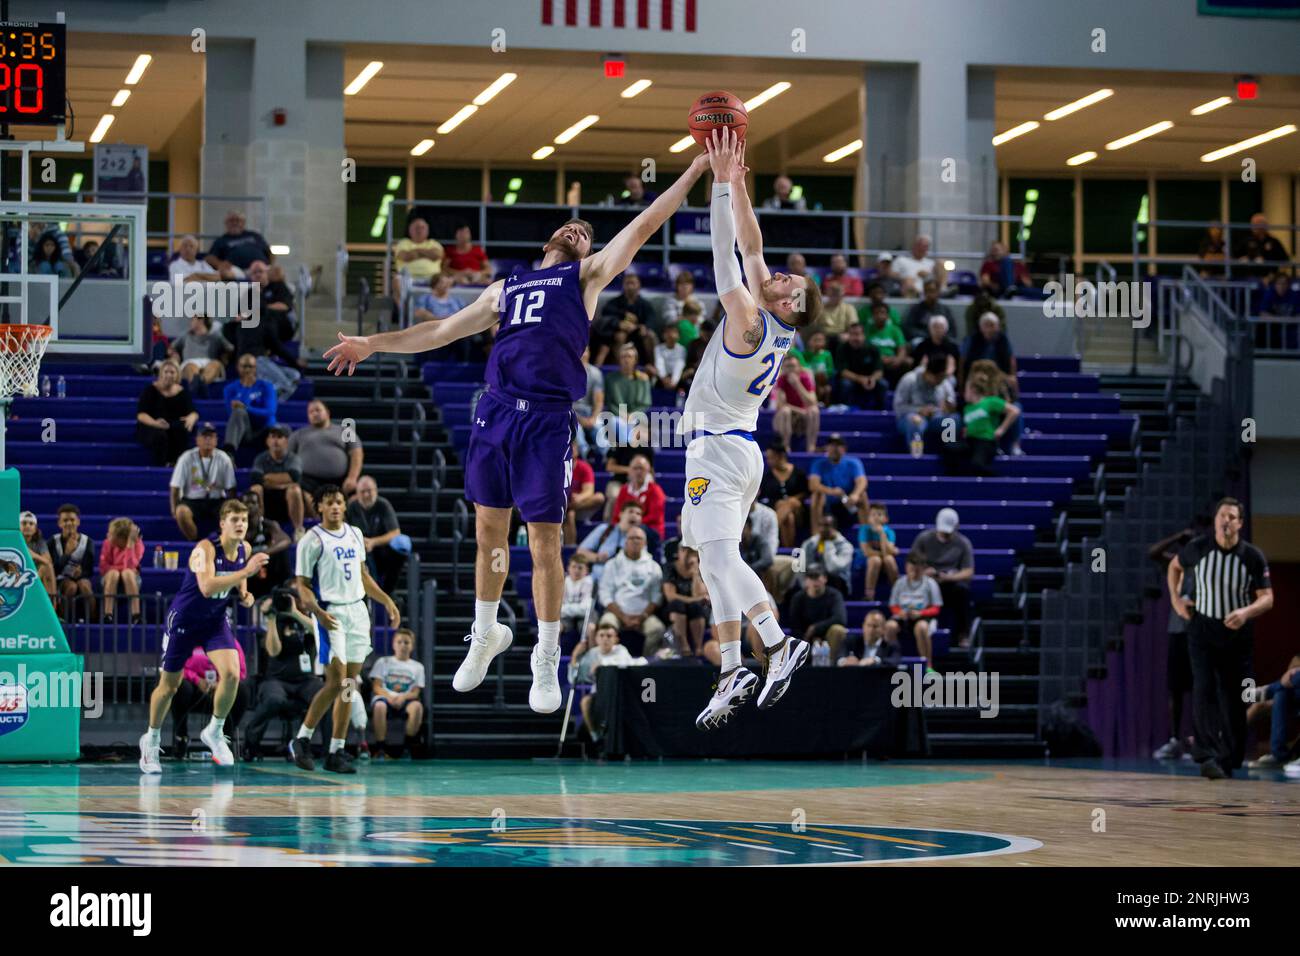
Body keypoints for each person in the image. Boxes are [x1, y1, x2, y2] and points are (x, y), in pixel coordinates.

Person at [323, 151, 712, 716]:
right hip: (496, 412)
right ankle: (486, 633)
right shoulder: (505, 287)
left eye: (586, 233)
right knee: (489, 534)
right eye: (573, 227)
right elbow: (439, 330)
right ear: (551, 236)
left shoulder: (586, 275)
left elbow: (646, 223)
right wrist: (372, 343)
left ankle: (547, 655)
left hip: (548, 422)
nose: (580, 232)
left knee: (544, 543)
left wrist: (696, 171)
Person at [680, 128, 826, 730]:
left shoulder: (748, 320)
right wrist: (738, 181)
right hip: (733, 451)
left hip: (719, 452)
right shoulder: (775, 320)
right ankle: (734, 666)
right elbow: (751, 242)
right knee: (714, 564)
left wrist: (717, 187)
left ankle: (778, 641)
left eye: (793, 283)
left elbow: (724, 258)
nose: (784, 276)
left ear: (791, 304)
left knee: (717, 556)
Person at [138, 499, 269, 773]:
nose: (240, 525)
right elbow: (207, 586)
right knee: (169, 686)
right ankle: (150, 740)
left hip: (214, 619)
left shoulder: (244, 548)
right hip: (184, 619)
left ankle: (215, 730)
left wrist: (245, 593)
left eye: (244, 520)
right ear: (222, 524)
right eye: (234, 520)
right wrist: (246, 573)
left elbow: (239, 577)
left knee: (232, 674)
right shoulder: (204, 549)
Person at [288, 486, 402, 774]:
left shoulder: (354, 533)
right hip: (331, 612)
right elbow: (301, 583)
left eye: (339, 501)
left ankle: (336, 750)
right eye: (330, 503)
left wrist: (386, 600)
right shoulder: (311, 540)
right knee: (336, 682)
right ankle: (301, 739)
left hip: (357, 611)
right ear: (320, 509)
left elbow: (363, 575)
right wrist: (316, 612)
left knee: (350, 685)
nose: (336, 506)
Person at [1167, 497, 1273, 779]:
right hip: (1202, 627)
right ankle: (1206, 754)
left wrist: (1246, 611)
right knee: (1203, 687)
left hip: (1236, 632)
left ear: (1240, 523)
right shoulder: (1198, 548)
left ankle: (1229, 756)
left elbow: (1267, 599)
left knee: (1233, 697)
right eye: (1222, 516)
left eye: (1232, 517)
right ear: (1215, 520)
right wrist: (1177, 602)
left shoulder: (1252, 556)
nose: (1226, 521)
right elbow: (1174, 567)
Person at [1148, 516, 1208, 761]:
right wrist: (1176, 537)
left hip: (1200, 634)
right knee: (1176, 690)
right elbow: (1152, 553)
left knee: (1200, 689)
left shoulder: (1209, 567)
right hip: (1177, 633)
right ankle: (1174, 739)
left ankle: (1198, 739)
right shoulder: (1176, 566)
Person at [242, 587, 323, 759]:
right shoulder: (276, 621)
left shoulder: (306, 620)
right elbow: (273, 651)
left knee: (326, 696)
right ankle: (251, 742)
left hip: (305, 681)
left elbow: (318, 632)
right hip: (276, 681)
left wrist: (294, 612)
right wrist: (271, 619)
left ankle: (330, 749)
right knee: (274, 700)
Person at [170, 643, 251, 759]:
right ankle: (181, 737)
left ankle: (224, 737)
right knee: (180, 686)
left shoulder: (229, 641)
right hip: (195, 690)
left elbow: (240, 672)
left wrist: (222, 683)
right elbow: (178, 668)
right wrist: (197, 680)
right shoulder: (188, 639)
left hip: (221, 691)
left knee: (242, 690)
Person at [596, 526, 666, 656]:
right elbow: (605, 594)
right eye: (631, 538)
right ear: (625, 542)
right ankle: (610, 662)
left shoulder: (653, 566)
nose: (635, 541)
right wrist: (623, 617)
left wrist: (642, 617)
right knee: (606, 625)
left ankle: (647, 663)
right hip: (617, 614)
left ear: (644, 543)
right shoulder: (612, 564)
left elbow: (656, 596)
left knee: (657, 629)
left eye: (639, 538)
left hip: (644, 616)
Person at [910, 507, 975, 647]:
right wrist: (923, 572)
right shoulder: (924, 538)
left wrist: (949, 577)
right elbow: (912, 562)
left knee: (963, 590)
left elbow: (968, 571)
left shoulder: (963, 543)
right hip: (926, 583)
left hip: (949, 584)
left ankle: (963, 634)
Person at [573, 623, 649, 738]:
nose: (605, 639)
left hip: (619, 693)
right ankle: (595, 736)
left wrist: (602, 665)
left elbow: (622, 664)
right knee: (585, 702)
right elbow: (575, 677)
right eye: (601, 635)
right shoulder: (592, 653)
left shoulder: (621, 650)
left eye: (609, 636)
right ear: (596, 639)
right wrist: (575, 655)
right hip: (598, 694)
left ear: (616, 639)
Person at [289, 398, 364, 511]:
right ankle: (317, 523)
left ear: (327, 412)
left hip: (340, 480)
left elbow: (357, 453)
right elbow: (288, 457)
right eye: (311, 412)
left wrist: (352, 477)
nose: (314, 414)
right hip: (308, 481)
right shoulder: (298, 435)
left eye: (318, 410)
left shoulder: (345, 431)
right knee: (297, 488)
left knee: (362, 488)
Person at [170, 424, 237, 541]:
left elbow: (231, 488)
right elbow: (175, 486)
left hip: (216, 501)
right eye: (204, 436)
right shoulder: (186, 458)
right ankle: (195, 541)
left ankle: (221, 542)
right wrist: (173, 509)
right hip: (192, 501)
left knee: (230, 511)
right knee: (181, 512)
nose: (208, 440)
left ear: (216, 440)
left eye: (211, 437)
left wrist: (231, 507)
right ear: (197, 440)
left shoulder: (224, 458)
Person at [942, 379, 1020, 478]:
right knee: (949, 448)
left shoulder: (990, 401)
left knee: (977, 464)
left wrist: (1001, 430)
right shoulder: (967, 408)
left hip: (985, 440)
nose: (963, 394)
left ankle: (1000, 479)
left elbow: (1014, 411)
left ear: (973, 390)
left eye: (965, 390)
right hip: (970, 441)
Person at [369, 628, 426, 758]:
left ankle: (407, 747)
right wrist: (389, 697)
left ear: (412, 646)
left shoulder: (418, 667)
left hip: (406, 699)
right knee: (379, 706)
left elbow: (416, 692)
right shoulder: (383, 662)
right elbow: (376, 686)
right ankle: (381, 748)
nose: (403, 645)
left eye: (406, 642)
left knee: (417, 707)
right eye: (399, 642)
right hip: (385, 697)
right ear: (393, 644)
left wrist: (402, 698)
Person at [346, 475, 409, 593]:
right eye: (362, 492)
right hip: (358, 550)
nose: (366, 495)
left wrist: (373, 542)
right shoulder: (351, 507)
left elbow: (395, 532)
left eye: (369, 491)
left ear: (375, 491)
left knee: (402, 545)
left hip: (381, 551)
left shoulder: (383, 505)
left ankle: (388, 592)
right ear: (357, 493)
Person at [136, 360, 199, 467]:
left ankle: (178, 465)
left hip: (173, 424)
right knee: (160, 435)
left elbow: (193, 412)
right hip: (152, 424)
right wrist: (155, 423)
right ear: (161, 374)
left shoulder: (182, 392)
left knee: (181, 429)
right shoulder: (150, 390)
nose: (169, 375)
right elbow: (141, 415)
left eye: (172, 372)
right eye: (166, 372)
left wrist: (192, 418)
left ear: (177, 375)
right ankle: (161, 466)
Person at [895, 355, 959, 457]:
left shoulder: (944, 383)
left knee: (951, 420)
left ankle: (949, 452)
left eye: (942, 378)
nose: (940, 381)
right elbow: (899, 407)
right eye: (937, 378)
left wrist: (949, 407)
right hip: (912, 417)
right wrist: (919, 410)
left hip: (936, 418)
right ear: (928, 373)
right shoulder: (909, 379)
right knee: (914, 421)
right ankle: (916, 456)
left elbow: (952, 404)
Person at [249, 425, 306, 539]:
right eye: (273, 437)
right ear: (267, 441)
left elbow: (294, 477)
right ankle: (259, 527)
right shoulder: (261, 458)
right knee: (256, 489)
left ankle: (298, 530)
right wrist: (284, 481)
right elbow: (256, 478)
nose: (276, 440)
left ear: (286, 441)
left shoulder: (293, 458)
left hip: (287, 501)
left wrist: (267, 478)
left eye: (280, 437)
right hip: (267, 500)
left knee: (294, 489)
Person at [784, 565, 847, 665]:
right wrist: (806, 639)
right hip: (805, 637)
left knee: (838, 630)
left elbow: (840, 619)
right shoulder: (798, 598)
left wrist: (815, 628)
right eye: (811, 577)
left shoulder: (834, 595)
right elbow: (794, 625)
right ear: (806, 581)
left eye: (817, 577)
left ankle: (831, 664)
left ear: (825, 579)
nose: (815, 581)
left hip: (827, 638)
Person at [889, 552, 943, 666]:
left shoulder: (930, 583)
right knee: (889, 626)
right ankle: (892, 661)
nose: (914, 572)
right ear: (906, 567)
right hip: (903, 616)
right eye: (911, 569)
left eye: (917, 569)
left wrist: (920, 613)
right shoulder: (899, 583)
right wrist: (900, 612)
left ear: (923, 568)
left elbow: (936, 608)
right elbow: (893, 605)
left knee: (921, 628)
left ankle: (928, 665)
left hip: (923, 616)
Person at [595, 272, 658, 366]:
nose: (630, 286)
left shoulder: (645, 304)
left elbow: (652, 319)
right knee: (620, 336)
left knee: (649, 336)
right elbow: (605, 317)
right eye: (627, 283)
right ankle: (620, 366)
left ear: (639, 285)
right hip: (618, 334)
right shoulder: (614, 303)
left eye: (633, 283)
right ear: (623, 285)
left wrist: (645, 327)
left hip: (639, 335)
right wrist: (618, 324)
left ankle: (652, 366)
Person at [808, 433, 868, 529]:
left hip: (848, 504)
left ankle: (866, 535)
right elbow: (813, 485)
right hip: (828, 505)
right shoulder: (818, 464)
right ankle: (816, 536)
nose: (834, 448)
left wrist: (855, 495)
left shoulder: (853, 463)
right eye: (831, 445)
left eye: (838, 445)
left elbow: (862, 481)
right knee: (816, 496)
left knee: (863, 495)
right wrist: (832, 492)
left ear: (844, 449)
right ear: (827, 448)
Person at [222, 353, 278, 456]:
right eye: (244, 366)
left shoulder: (266, 386)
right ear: (238, 367)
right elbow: (231, 414)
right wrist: (246, 389)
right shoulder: (230, 389)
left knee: (276, 430)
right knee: (238, 412)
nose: (247, 370)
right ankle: (229, 454)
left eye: (250, 367)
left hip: (264, 431)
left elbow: (270, 412)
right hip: (244, 432)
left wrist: (246, 408)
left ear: (255, 368)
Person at [662, 545, 711, 659]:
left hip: (695, 609)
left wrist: (695, 574)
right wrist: (693, 599)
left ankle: (698, 647)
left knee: (696, 606)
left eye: (691, 552)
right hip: (674, 608)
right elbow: (671, 596)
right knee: (677, 604)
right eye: (684, 550)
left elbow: (699, 595)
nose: (687, 555)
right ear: (678, 552)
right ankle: (684, 645)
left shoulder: (701, 568)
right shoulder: (669, 568)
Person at [757, 440, 809, 548]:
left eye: (771, 457)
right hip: (776, 508)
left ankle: (766, 534)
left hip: (798, 510)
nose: (768, 461)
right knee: (788, 517)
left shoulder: (798, 473)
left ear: (781, 456)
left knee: (792, 503)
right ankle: (788, 550)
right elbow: (762, 495)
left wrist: (792, 499)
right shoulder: (767, 476)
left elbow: (806, 492)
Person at [51, 504, 96, 623]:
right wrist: (66, 554)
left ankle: (91, 620)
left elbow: (89, 570)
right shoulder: (53, 541)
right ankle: (64, 619)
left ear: (78, 522)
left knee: (85, 586)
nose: (69, 523)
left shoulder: (87, 541)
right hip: (61, 579)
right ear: (59, 523)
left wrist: (81, 572)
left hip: (81, 578)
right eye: (65, 520)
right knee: (71, 587)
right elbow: (53, 569)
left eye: (72, 520)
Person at [771, 353, 821, 454]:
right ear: (783, 368)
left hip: (803, 419)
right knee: (785, 411)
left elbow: (813, 402)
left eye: (793, 366)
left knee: (814, 411)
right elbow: (781, 405)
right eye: (787, 366)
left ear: (799, 367)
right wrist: (801, 411)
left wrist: (797, 385)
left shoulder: (805, 378)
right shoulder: (781, 379)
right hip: (787, 418)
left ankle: (811, 446)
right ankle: (785, 446)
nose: (790, 369)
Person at [169, 315, 233, 393]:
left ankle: (199, 384)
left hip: (209, 362)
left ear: (201, 321)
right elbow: (171, 348)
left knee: (216, 364)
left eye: (193, 320)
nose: (190, 323)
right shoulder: (186, 335)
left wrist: (225, 356)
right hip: (190, 361)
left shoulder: (215, 336)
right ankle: (200, 385)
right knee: (191, 367)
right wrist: (175, 354)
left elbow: (230, 348)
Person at [98, 517, 144, 625]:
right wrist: (119, 570)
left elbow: (130, 565)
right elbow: (103, 567)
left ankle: (136, 615)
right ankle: (108, 615)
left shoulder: (137, 544)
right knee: (114, 574)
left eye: (111, 533)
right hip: (110, 579)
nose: (107, 536)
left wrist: (130, 545)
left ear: (121, 537)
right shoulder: (107, 543)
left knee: (127, 573)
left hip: (131, 580)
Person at [610, 454, 666, 539]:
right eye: (635, 468)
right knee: (605, 529)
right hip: (626, 526)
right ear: (629, 470)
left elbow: (654, 517)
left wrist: (631, 523)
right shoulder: (624, 490)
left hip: (650, 530)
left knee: (633, 532)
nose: (638, 471)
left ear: (648, 471)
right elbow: (617, 514)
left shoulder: (656, 490)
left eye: (641, 468)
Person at [834, 321, 886, 409]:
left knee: (883, 384)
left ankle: (880, 411)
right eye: (852, 334)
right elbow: (843, 371)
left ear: (864, 336)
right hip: (852, 379)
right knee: (845, 384)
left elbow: (879, 370)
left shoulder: (873, 348)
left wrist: (872, 379)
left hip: (869, 380)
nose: (855, 338)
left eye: (858, 334)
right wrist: (860, 379)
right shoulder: (842, 348)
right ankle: (844, 410)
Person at [205, 210, 272, 278]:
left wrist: (269, 263)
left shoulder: (255, 235)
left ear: (243, 223)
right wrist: (220, 264)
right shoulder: (220, 240)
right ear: (226, 223)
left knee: (277, 272)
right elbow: (209, 258)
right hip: (237, 270)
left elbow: (269, 251)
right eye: (231, 220)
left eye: (237, 220)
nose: (234, 223)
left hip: (260, 266)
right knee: (225, 273)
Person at [799, 515, 854, 596]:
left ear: (834, 528)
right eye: (820, 526)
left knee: (832, 579)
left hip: (837, 584)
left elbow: (833, 569)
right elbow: (800, 567)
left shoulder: (846, 547)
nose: (822, 529)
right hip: (813, 579)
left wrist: (827, 544)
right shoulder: (809, 543)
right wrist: (805, 584)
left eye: (826, 526)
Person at [863, 300, 910, 387]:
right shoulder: (867, 329)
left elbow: (902, 348)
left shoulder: (895, 329)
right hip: (874, 360)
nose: (879, 315)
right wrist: (879, 358)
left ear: (887, 315)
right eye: (876, 313)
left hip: (891, 360)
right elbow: (863, 348)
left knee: (908, 362)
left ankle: (900, 388)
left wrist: (897, 359)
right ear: (872, 315)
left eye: (882, 312)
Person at [392, 215, 443, 294]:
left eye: (422, 228)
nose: (419, 230)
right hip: (409, 277)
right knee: (397, 279)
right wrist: (427, 253)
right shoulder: (403, 243)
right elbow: (405, 256)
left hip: (432, 278)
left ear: (427, 230)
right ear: (410, 230)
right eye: (416, 228)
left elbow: (437, 255)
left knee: (444, 280)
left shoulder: (433, 243)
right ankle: (402, 306)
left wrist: (416, 252)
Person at [860, 501, 899, 599]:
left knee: (889, 560)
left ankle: (897, 592)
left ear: (886, 519)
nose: (876, 517)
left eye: (879, 514)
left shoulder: (889, 532)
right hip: (866, 562)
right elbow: (867, 552)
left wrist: (882, 534)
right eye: (873, 514)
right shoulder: (864, 529)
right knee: (875, 560)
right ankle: (869, 595)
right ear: (868, 518)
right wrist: (889, 552)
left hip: (885, 562)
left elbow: (888, 552)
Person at [903, 279, 955, 344]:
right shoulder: (916, 309)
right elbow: (908, 329)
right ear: (924, 292)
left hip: (942, 340)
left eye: (933, 291)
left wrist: (941, 336)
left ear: (938, 292)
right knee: (916, 342)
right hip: (923, 340)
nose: (930, 294)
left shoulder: (945, 310)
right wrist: (928, 336)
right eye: (927, 291)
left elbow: (952, 331)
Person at [1238, 213, 1289, 278]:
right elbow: (1235, 256)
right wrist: (1241, 259)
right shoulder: (1246, 240)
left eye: (1260, 223)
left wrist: (1275, 276)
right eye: (1255, 224)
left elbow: (1285, 261)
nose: (1258, 227)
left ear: (1265, 225)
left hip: (1269, 278)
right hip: (1248, 277)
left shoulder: (1274, 241)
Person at [19, 511, 56, 599]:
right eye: (24, 523)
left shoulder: (40, 542)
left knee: (47, 567)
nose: (27, 526)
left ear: (35, 528)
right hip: (16, 576)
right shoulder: (14, 542)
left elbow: (48, 561)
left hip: (35, 575)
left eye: (31, 524)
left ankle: (52, 605)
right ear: (18, 526)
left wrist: (33, 555)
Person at [911, 315, 960, 380]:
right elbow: (918, 366)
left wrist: (942, 376)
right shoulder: (922, 345)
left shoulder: (952, 347)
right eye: (935, 327)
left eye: (941, 327)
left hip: (944, 376)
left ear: (946, 329)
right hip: (925, 374)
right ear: (930, 329)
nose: (938, 330)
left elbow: (952, 367)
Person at [796, 330, 836, 405]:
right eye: (815, 340)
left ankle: (824, 404)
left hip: (823, 380)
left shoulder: (827, 354)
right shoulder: (805, 354)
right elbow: (803, 366)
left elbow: (830, 370)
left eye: (820, 340)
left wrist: (824, 376)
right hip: (810, 379)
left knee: (824, 384)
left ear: (825, 342)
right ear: (809, 342)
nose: (818, 343)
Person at [560, 555, 595, 638]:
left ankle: (591, 651)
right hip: (566, 617)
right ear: (568, 568)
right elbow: (557, 608)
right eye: (574, 567)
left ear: (587, 570)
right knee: (556, 628)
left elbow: (586, 609)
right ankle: (553, 651)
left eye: (580, 568)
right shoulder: (563, 581)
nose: (576, 570)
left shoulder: (589, 582)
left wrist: (566, 608)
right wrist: (574, 608)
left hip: (585, 616)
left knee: (591, 629)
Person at [654, 321, 687, 390]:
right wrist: (664, 378)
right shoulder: (658, 348)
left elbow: (679, 365)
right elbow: (659, 364)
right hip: (662, 379)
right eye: (668, 332)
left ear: (679, 335)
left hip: (676, 380)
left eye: (674, 332)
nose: (671, 335)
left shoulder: (682, 349)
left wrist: (674, 381)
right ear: (663, 335)